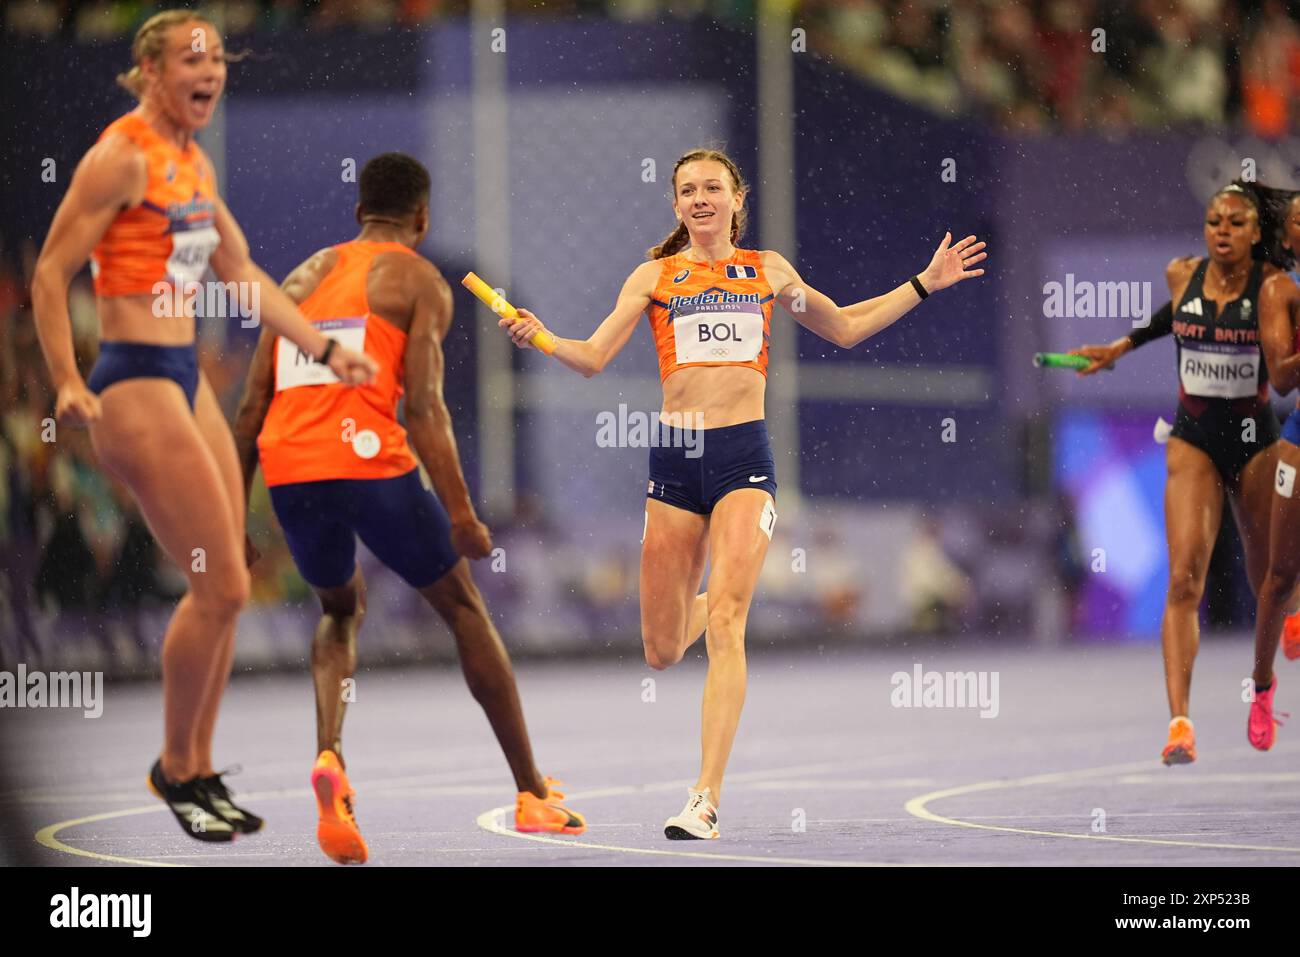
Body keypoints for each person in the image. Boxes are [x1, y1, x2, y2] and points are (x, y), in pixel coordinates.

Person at [500, 147, 985, 839]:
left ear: (736, 198)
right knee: (662, 648)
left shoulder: (768, 272)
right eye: (688, 190)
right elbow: (592, 357)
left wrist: (924, 283)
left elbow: (843, 326)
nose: (700, 198)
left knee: (727, 622)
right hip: (677, 459)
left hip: (742, 461)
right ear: (676, 205)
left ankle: (704, 798)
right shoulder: (654, 277)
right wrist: (541, 336)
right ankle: (729, 592)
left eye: (712, 188)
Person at [30, 9, 376, 841]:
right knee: (218, 584)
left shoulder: (192, 162)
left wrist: (323, 346)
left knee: (226, 587)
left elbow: (241, 272)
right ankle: (175, 767)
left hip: (183, 378)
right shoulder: (120, 158)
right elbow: (49, 272)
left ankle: (194, 763)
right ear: (149, 70)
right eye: (193, 58)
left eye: (219, 58)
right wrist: (67, 382)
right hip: (133, 385)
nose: (211, 71)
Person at [234, 152, 586, 865]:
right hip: (367, 458)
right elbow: (425, 408)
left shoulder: (298, 278)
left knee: (338, 609)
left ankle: (330, 754)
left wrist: (229, 519)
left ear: (359, 211)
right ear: (421, 218)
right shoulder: (421, 279)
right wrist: (462, 512)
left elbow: (248, 411)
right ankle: (531, 792)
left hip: (291, 469)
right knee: (461, 608)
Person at [1071, 182, 1297, 764]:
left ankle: (1264, 685)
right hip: (1193, 438)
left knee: (1270, 573)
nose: (1222, 229)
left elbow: (1283, 372)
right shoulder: (1181, 272)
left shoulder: (1272, 288)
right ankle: (1180, 725)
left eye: (1236, 222)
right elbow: (1178, 315)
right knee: (1183, 581)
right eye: (1214, 220)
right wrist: (1122, 345)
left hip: (1253, 440)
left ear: (1255, 234)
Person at [1249, 188, 1300, 750]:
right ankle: (1261, 690)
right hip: (1299, 446)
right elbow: (1283, 379)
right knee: (1281, 575)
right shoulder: (1281, 290)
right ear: (1286, 238)